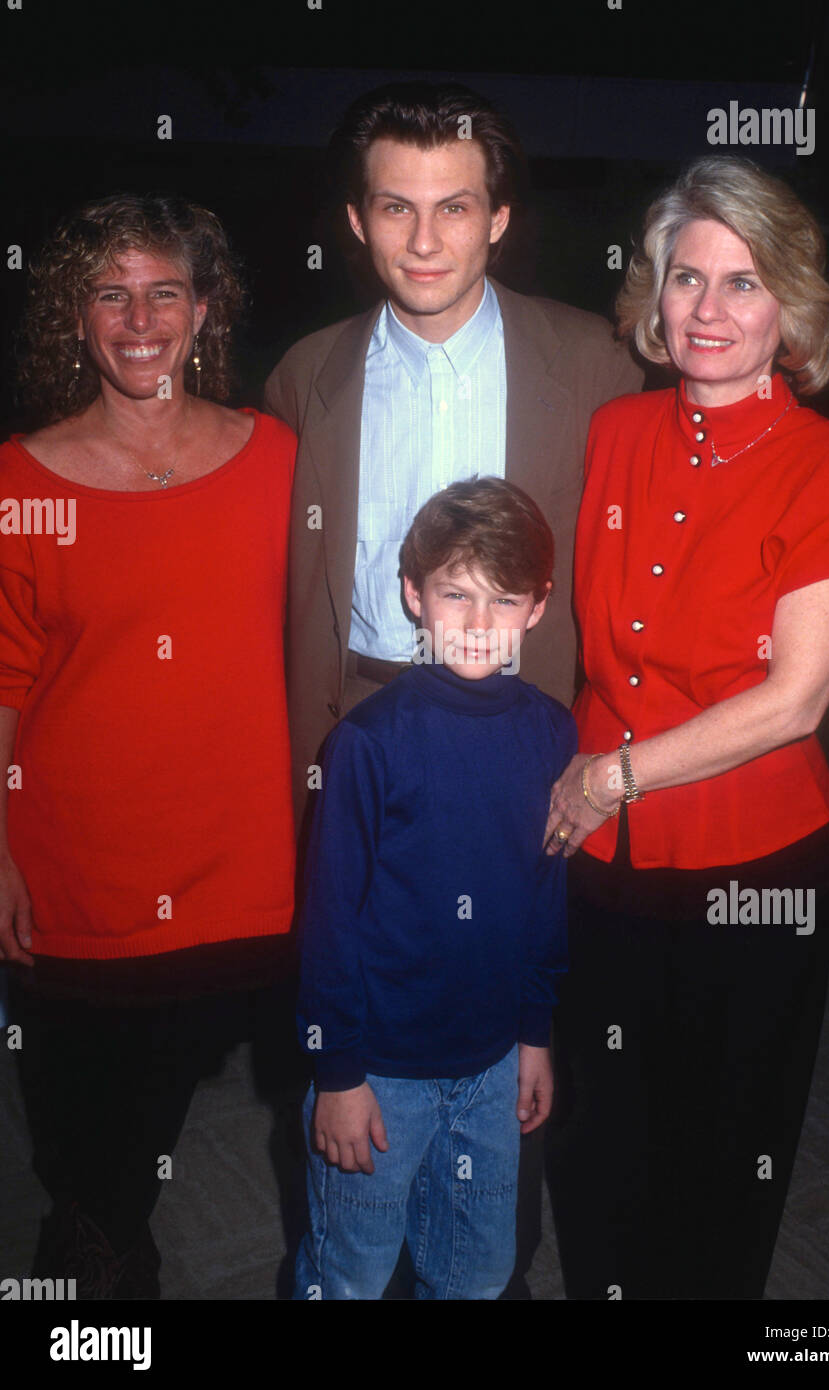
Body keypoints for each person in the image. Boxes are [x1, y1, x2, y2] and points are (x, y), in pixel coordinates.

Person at [264, 80, 641, 1294]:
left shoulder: (591, 362)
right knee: (366, 1002)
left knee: (497, 1027)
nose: (423, 239)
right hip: (364, 724)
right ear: (355, 220)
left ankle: (482, 1265)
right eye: (394, 206)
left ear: (498, 219)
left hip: (518, 734)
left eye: (452, 207)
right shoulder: (304, 375)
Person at [542, 156, 829, 1300]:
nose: (708, 310)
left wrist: (607, 774)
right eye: (685, 278)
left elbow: (791, 702)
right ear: (651, 298)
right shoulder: (609, 430)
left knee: (721, 1154)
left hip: (748, 873)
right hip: (596, 864)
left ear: (792, 312)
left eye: (742, 284)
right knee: (595, 1137)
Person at [0, 194, 297, 1297]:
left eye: (163, 290)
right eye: (108, 293)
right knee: (89, 1156)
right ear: (72, 319)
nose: (137, 318)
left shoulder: (279, 460)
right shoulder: (21, 483)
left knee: (180, 1120)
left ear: (202, 310)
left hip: (245, 874)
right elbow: (4, 678)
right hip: (77, 874)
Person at [294, 477, 576, 1300]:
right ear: (414, 594)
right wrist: (337, 1071)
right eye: (456, 594)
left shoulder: (553, 733)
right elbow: (327, 924)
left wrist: (535, 1033)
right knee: (350, 1273)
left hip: (492, 1066)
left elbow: (543, 897)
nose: (480, 625)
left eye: (503, 599)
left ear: (538, 606)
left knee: (479, 1274)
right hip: (378, 1071)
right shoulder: (366, 743)